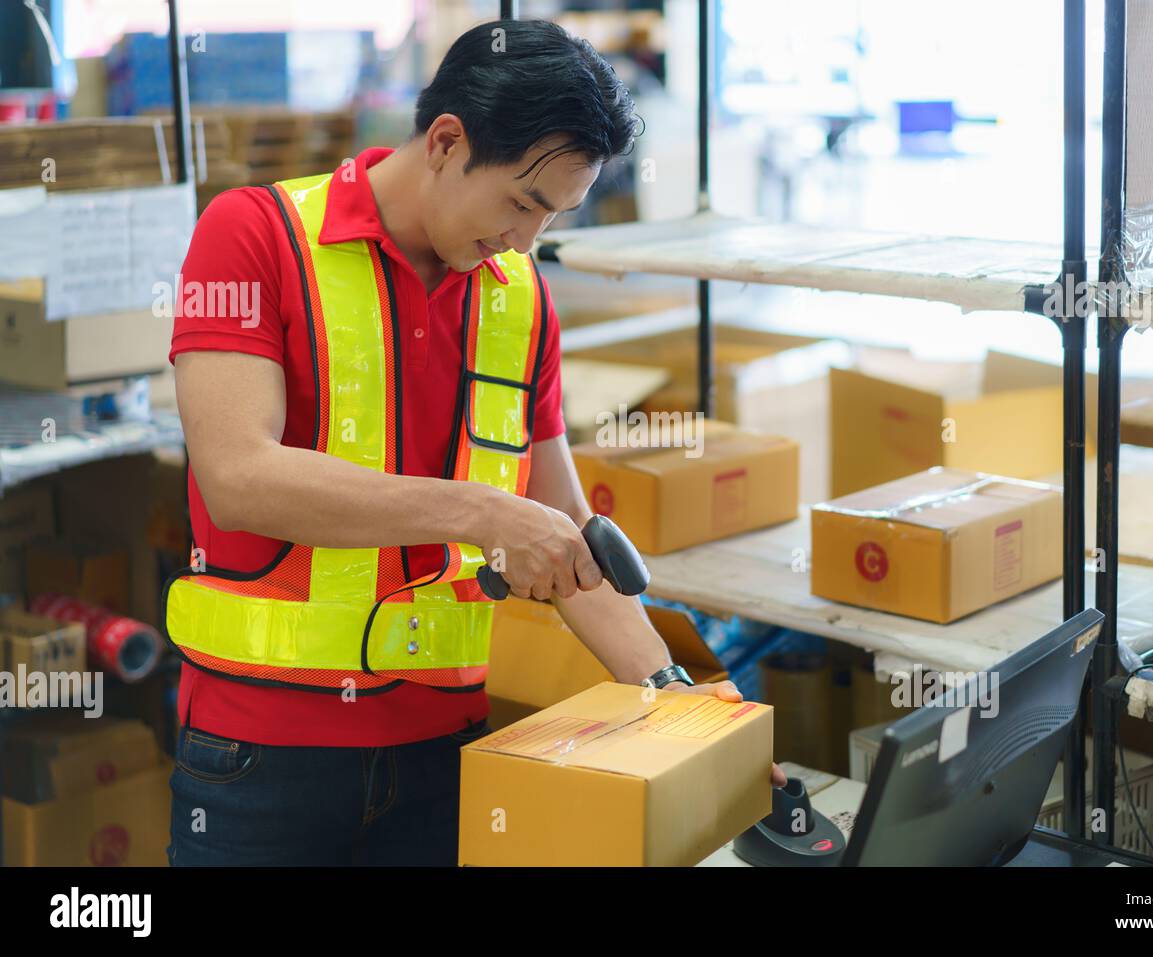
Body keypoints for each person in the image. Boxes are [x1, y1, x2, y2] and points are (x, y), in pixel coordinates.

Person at [164, 18, 783, 867]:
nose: (527, 240)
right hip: (261, 757)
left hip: (448, 756)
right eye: (523, 202)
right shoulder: (253, 235)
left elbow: (564, 527)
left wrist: (682, 703)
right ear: (448, 142)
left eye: (556, 212)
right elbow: (239, 476)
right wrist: (485, 513)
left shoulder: (519, 298)